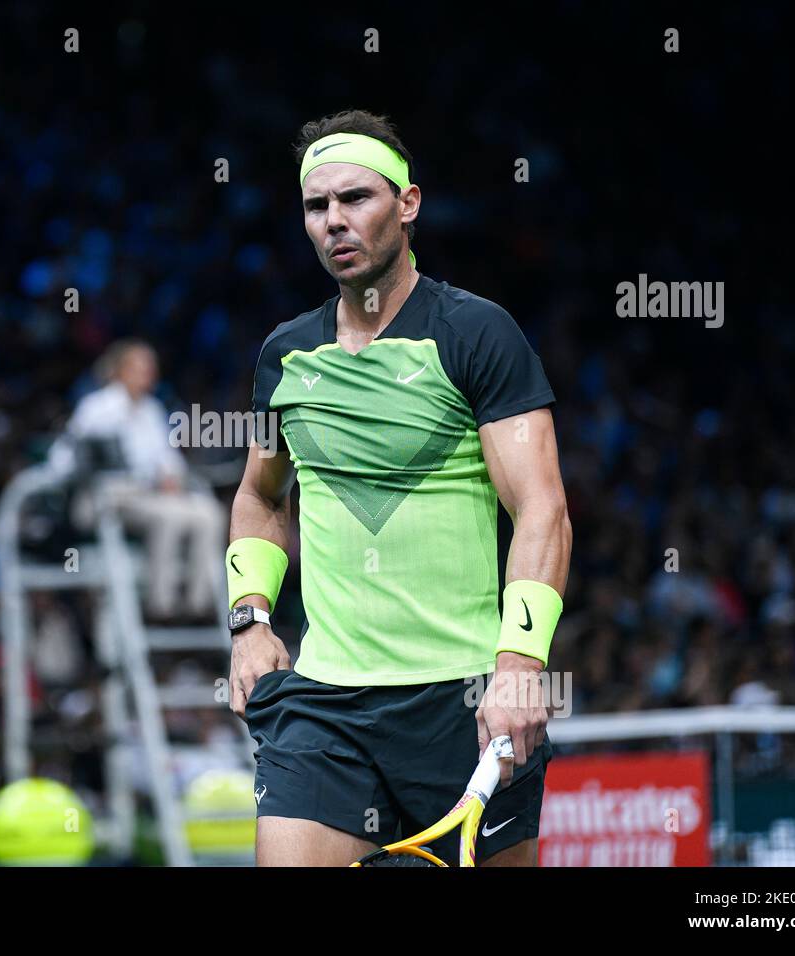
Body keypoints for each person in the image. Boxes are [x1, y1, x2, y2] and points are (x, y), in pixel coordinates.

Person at [226, 110, 572, 866]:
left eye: (356, 199)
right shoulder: (287, 356)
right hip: (324, 704)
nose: (334, 223)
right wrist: (250, 620)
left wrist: (520, 666)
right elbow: (260, 497)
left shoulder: (476, 335)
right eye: (317, 207)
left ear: (408, 204)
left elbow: (541, 506)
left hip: (465, 701)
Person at [50, 339, 226, 621]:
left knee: (209, 513)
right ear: (120, 370)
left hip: (148, 494)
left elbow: (168, 459)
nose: (148, 373)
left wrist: (172, 476)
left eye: (151, 367)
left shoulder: (152, 410)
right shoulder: (97, 407)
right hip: (108, 496)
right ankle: (161, 606)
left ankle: (198, 605)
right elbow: (64, 456)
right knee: (169, 516)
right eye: (140, 366)